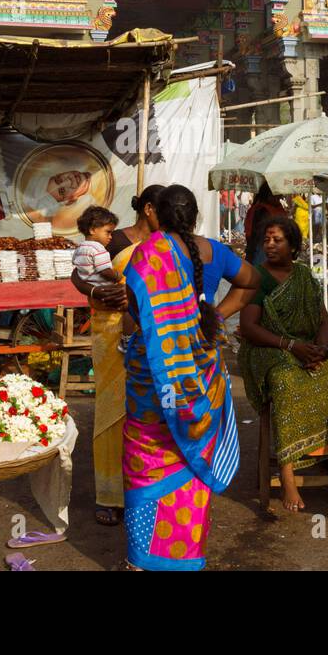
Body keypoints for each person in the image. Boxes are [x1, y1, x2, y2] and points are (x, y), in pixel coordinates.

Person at [121, 184, 258, 570]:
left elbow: (139, 315)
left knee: (146, 457)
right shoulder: (214, 251)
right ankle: (184, 556)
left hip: (154, 375)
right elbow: (252, 280)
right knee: (191, 454)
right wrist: (215, 316)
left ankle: (142, 560)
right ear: (195, 215)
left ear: (155, 215)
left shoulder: (148, 256)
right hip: (199, 372)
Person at [238, 217, 328, 512]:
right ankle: (287, 473)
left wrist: (322, 350)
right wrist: (291, 346)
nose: (270, 245)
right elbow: (249, 327)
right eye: (266, 240)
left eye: (277, 240)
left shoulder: (304, 277)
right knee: (286, 381)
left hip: (307, 346)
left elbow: (324, 322)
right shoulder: (257, 277)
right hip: (270, 347)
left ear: (293, 246)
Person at [72, 185, 164, 528]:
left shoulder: (167, 244)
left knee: (149, 413)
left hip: (153, 333)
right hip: (110, 334)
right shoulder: (116, 241)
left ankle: (148, 490)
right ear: (150, 209)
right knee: (112, 411)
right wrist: (95, 290)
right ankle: (109, 495)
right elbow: (78, 275)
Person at [72, 206, 122, 288]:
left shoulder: (80, 248)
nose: (110, 237)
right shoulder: (98, 248)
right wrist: (118, 276)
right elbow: (105, 271)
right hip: (105, 289)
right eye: (108, 232)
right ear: (92, 230)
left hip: (89, 288)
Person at [244, 183, 286, 266]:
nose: (279, 197)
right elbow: (260, 234)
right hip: (263, 249)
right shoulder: (262, 210)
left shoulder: (276, 208)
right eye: (276, 195)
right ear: (268, 195)